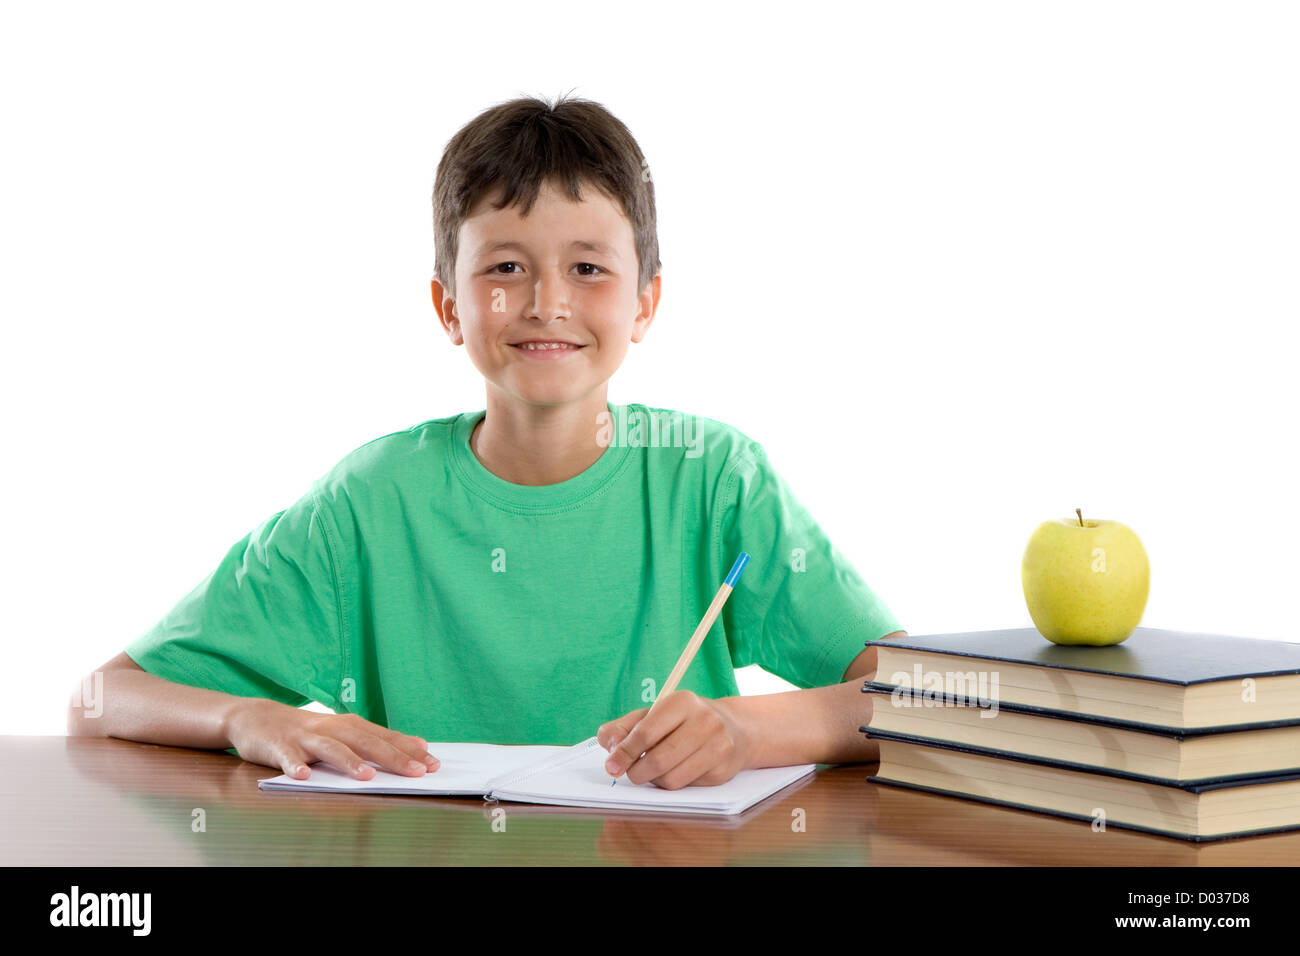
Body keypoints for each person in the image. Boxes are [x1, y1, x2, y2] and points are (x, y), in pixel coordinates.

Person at [67, 93, 905, 791]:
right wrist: (246, 714)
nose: (545, 302)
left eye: (588, 268)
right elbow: (104, 698)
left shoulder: (714, 478)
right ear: (448, 307)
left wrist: (749, 729)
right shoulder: (371, 501)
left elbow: (918, 694)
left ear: (646, 302)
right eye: (504, 268)